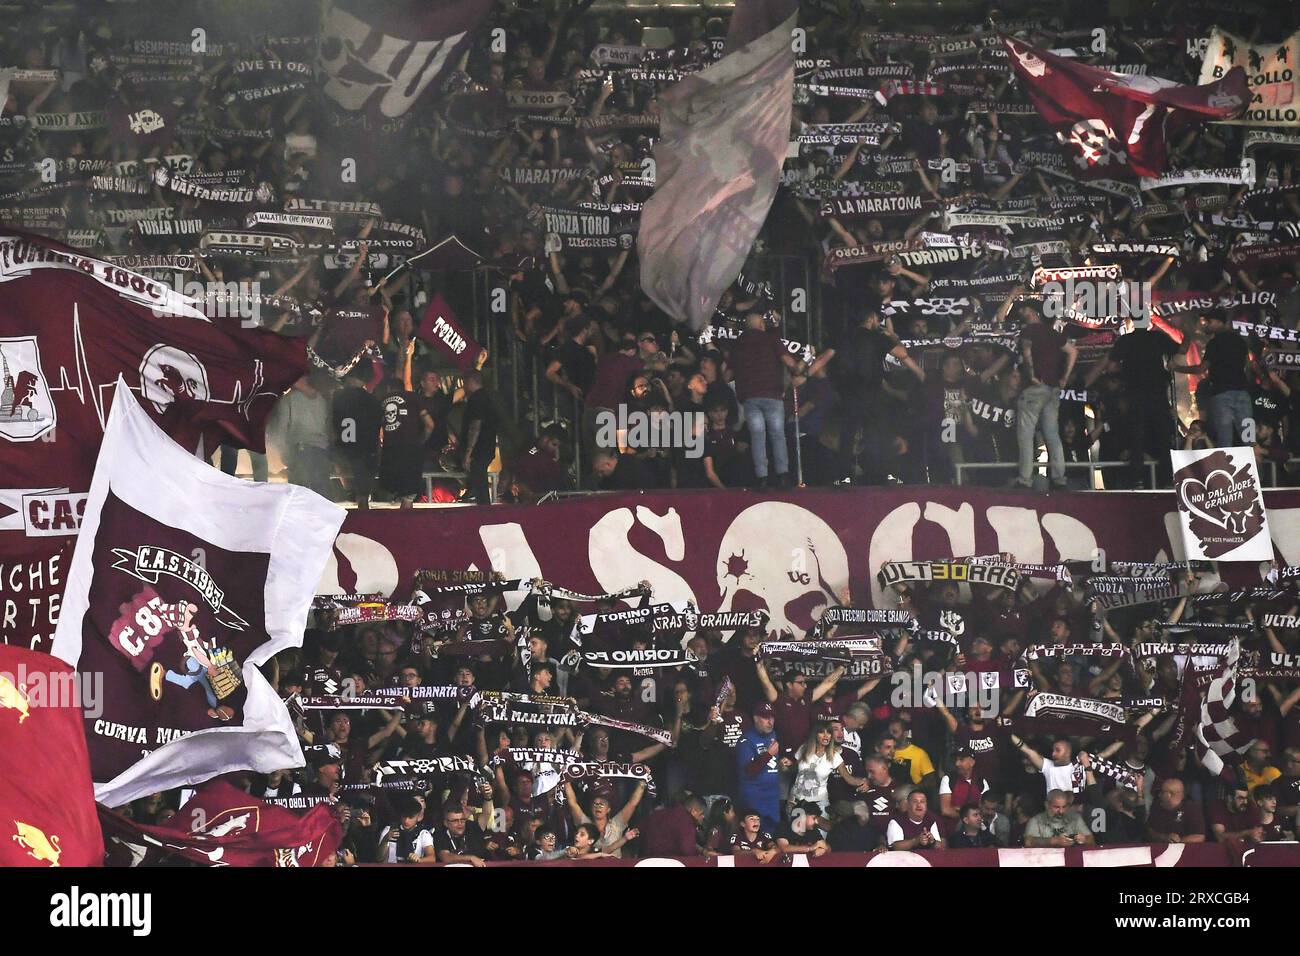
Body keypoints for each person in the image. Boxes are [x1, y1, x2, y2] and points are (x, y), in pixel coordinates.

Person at [729, 311, 804, 488]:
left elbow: (727, 373)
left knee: (757, 436)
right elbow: (790, 364)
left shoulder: (738, 344)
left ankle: (761, 477)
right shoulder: (771, 340)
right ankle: (783, 475)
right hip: (772, 394)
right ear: (762, 325)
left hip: (749, 396)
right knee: (777, 435)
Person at [1012, 301, 1076, 489]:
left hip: (1035, 389)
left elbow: (1026, 351)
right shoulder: (1051, 333)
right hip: (1052, 388)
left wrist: (1031, 375)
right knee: (1052, 435)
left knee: (1026, 435)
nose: (1021, 313)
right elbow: (1073, 351)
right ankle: (1059, 478)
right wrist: (1064, 377)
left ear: (1032, 311)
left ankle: (1025, 479)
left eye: (1023, 309)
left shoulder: (1028, 331)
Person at [1172, 313, 1253, 447]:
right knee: (1249, 439)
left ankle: (1227, 466)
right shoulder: (1239, 341)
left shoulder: (1214, 343)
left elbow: (1201, 369)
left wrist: (1177, 368)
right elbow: (1248, 365)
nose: (1205, 325)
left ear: (1219, 322)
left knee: (1224, 438)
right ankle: (1255, 466)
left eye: (1209, 321)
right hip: (1242, 393)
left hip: (1222, 395)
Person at [736, 702, 782, 833]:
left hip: (772, 796)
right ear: (755, 718)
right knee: (756, 837)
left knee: (773, 836)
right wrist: (768, 754)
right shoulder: (746, 740)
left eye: (772, 717)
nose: (770, 721)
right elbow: (749, 771)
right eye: (766, 717)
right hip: (754, 797)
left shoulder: (773, 735)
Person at [459, 370, 498, 504]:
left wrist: (468, 452)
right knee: (480, 485)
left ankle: (484, 513)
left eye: (464, 383)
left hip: (478, 451)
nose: (463, 387)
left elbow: (475, 426)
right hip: (486, 448)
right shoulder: (487, 398)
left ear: (470, 382)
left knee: (480, 486)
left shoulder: (476, 399)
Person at [1023, 789, 1094, 848]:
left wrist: (1084, 839)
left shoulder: (1075, 818)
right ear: (1047, 805)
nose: (1061, 811)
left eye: (1064, 807)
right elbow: (1028, 841)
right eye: (1056, 807)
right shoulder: (1036, 820)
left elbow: (1092, 840)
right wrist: (1055, 841)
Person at [1145, 778, 1207, 844]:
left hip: (1185, 851)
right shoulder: (1157, 806)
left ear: (1170, 794)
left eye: (1162, 792)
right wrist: (1164, 837)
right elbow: (1149, 830)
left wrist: (1177, 841)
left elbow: (1199, 837)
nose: (1159, 795)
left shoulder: (1192, 808)